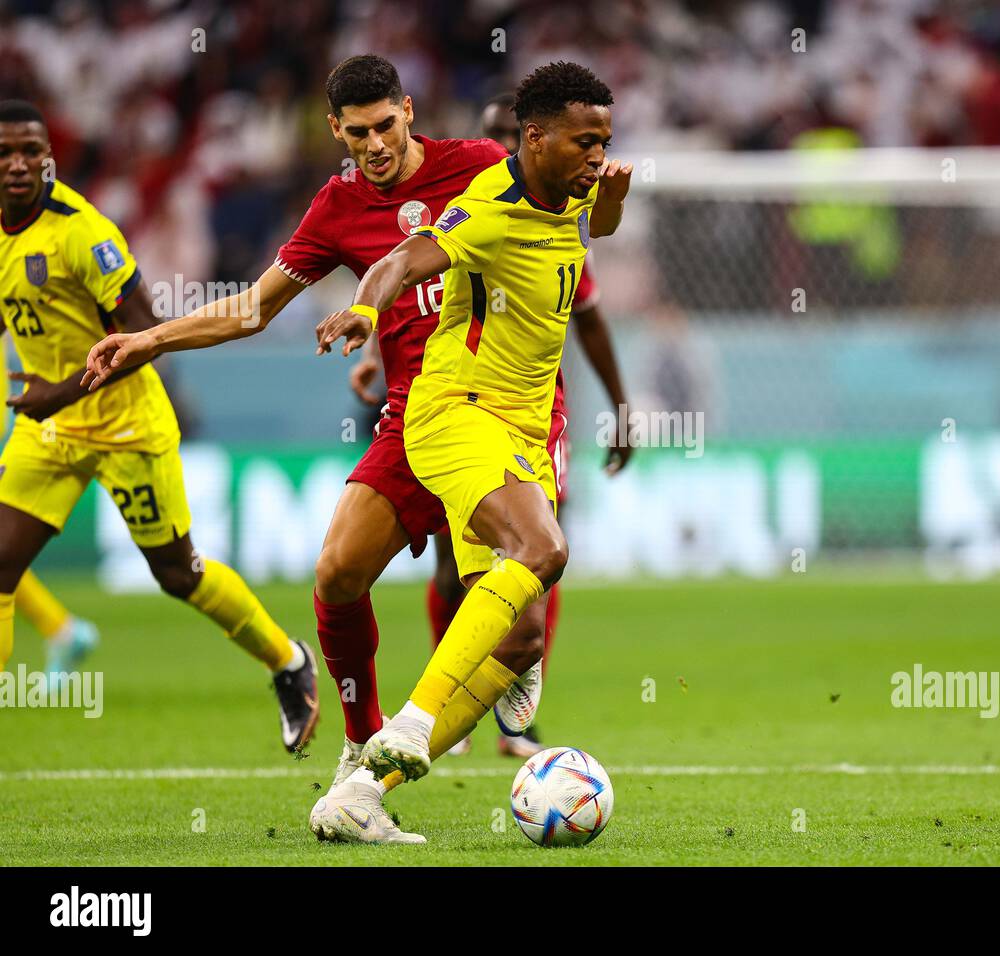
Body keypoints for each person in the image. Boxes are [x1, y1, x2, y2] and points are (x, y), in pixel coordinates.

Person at [83, 56, 558, 845]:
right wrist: (150, 339)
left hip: (496, 413)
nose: (376, 144)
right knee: (336, 571)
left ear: (410, 111)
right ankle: (357, 748)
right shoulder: (337, 206)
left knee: (521, 631)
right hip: (414, 419)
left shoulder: (475, 167)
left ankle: (436, 726)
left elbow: (546, 227)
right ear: (335, 129)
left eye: (387, 126)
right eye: (359, 131)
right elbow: (252, 309)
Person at [315, 61, 631, 796]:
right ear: (535, 137)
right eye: (586, 142)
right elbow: (402, 258)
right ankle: (412, 725)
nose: (597, 154)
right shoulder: (488, 207)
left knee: (519, 636)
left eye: (604, 141)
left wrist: (610, 199)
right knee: (543, 549)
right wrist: (366, 313)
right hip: (460, 412)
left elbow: (596, 237)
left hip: (522, 424)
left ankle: (362, 795)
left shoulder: (570, 193)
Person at [0, 99, 318, 751]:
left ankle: (288, 661)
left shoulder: (82, 233)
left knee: (178, 574)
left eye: (31, 150)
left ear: (49, 157)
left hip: (126, 425)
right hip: (51, 428)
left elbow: (145, 334)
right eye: (5, 152)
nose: (18, 164)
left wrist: (57, 392)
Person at [420, 92, 632, 758]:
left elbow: (590, 314)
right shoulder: (480, 209)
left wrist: (622, 407)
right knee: (462, 574)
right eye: (490, 138)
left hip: (543, 414)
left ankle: (515, 705)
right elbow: (406, 279)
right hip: (459, 406)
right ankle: (443, 705)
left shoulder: (569, 212)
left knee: (541, 551)